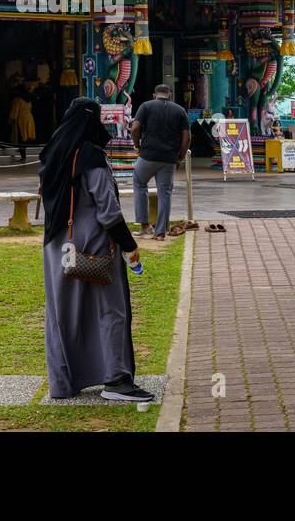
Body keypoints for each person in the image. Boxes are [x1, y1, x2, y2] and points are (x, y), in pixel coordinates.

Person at [40, 98, 153, 403]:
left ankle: (63, 383)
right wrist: (130, 247)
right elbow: (108, 210)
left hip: (57, 249)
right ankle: (115, 379)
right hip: (94, 248)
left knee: (63, 315)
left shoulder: (53, 153)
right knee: (110, 310)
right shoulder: (91, 157)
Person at [129, 83, 190, 241]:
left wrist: (137, 145)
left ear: (154, 95)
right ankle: (160, 233)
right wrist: (180, 158)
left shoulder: (146, 106)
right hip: (168, 159)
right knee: (165, 194)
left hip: (147, 156)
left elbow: (135, 128)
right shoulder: (179, 110)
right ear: (170, 95)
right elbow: (187, 137)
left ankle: (145, 226)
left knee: (139, 184)